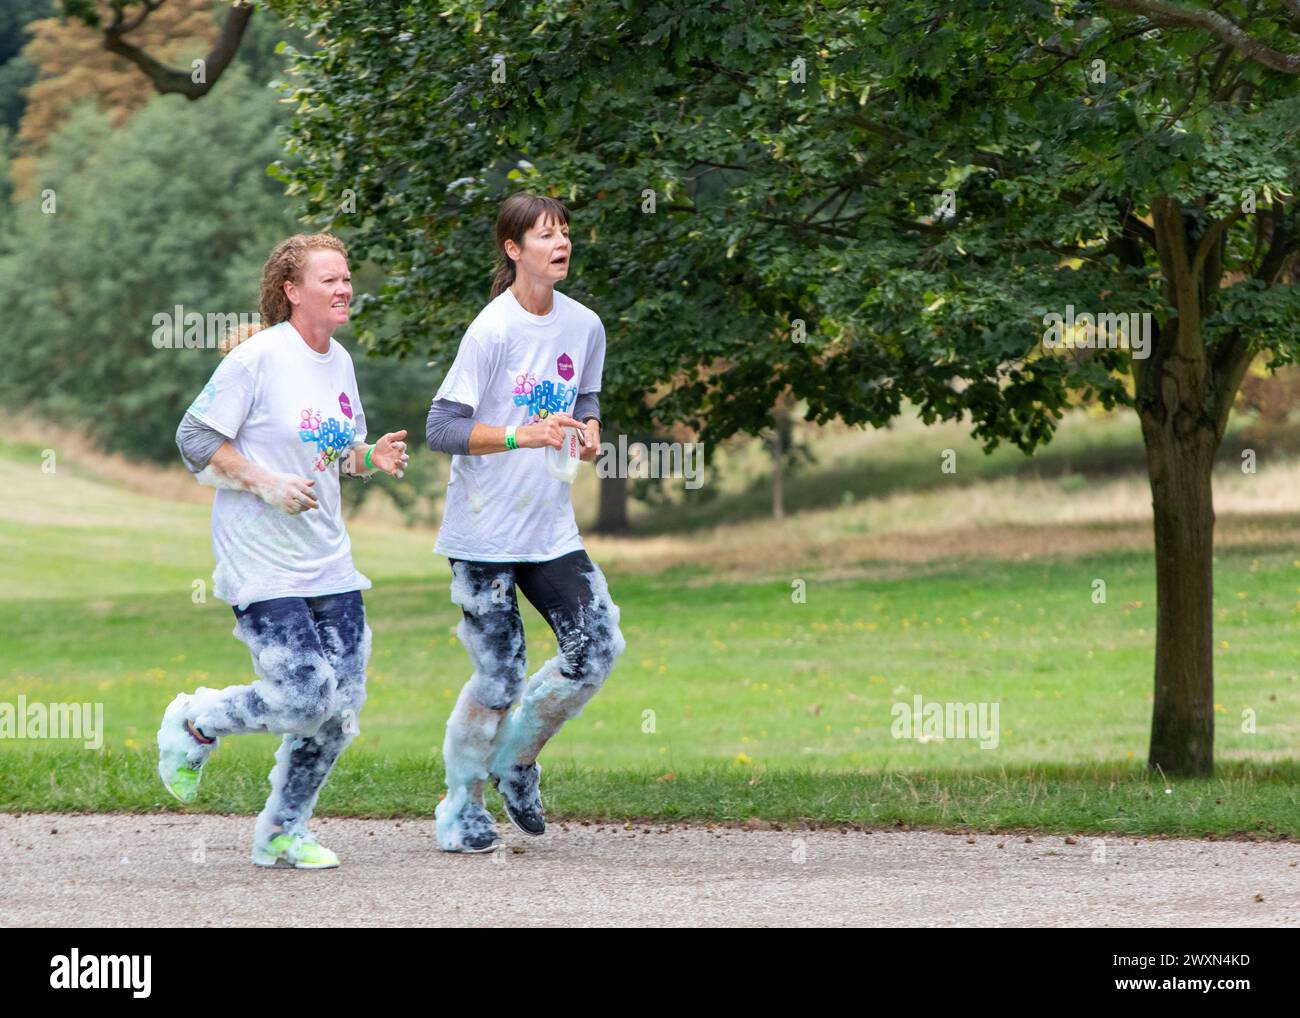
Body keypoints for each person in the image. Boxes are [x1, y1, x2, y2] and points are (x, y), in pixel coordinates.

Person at [157, 233, 409, 869]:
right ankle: (198, 720)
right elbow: (193, 436)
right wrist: (266, 483)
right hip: (261, 559)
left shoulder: (340, 361)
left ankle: (282, 833)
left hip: (328, 559)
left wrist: (368, 458)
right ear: (292, 291)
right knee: (302, 698)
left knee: (340, 708)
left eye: (347, 277)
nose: (345, 288)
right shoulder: (258, 360)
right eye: (329, 279)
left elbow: (335, 451)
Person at [425, 192, 626, 853]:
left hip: (549, 529)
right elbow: (443, 428)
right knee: (500, 674)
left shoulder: (585, 326)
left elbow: (585, 396)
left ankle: (516, 758)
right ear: (514, 251)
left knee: (597, 648)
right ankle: (460, 808)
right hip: (483, 533)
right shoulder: (492, 331)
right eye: (545, 235)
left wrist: (588, 428)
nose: (561, 243)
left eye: (565, 232)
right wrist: (525, 436)